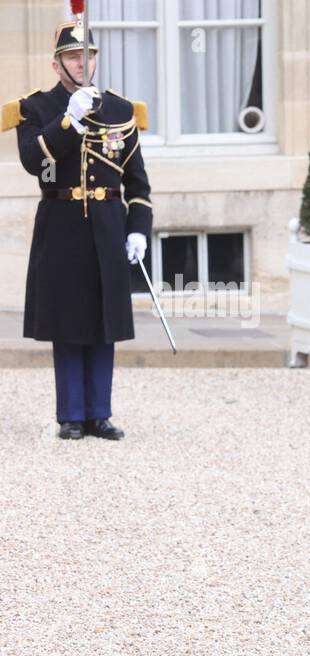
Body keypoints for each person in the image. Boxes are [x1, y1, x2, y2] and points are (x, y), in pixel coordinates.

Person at [5, 5, 151, 441]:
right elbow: (35, 162)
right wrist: (68, 119)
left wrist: (139, 227)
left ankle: (99, 413)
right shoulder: (35, 107)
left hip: (108, 222)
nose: (82, 63)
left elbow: (138, 183)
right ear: (56, 63)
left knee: (103, 319)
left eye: (88, 55)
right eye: (73, 57)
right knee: (68, 319)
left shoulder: (122, 109)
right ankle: (71, 414)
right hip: (61, 221)